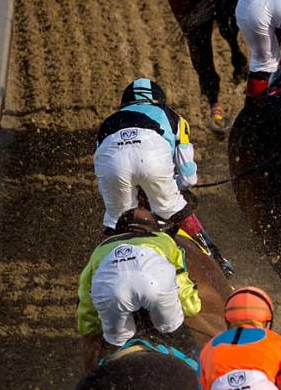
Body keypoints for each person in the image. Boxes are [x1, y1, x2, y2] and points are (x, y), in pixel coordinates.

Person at [94, 78, 232, 274]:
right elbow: (188, 179)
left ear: (124, 104)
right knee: (174, 207)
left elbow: (101, 166)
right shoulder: (174, 117)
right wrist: (168, 187)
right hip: (152, 160)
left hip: (113, 163)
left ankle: (95, 274)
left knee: (115, 221)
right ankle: (219, 262)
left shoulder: (108, 122)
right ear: (160, 100)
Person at [76, 208, 201, 352]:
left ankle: (102, 365)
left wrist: (90, 329)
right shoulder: (164, 240)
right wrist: (190, 307)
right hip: (153, 287)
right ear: (152, 230)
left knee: (111, 351)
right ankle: (197, 365)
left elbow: (85, 293)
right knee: (184, 343)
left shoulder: (100, 248)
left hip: (115, 294)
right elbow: (180, 278)